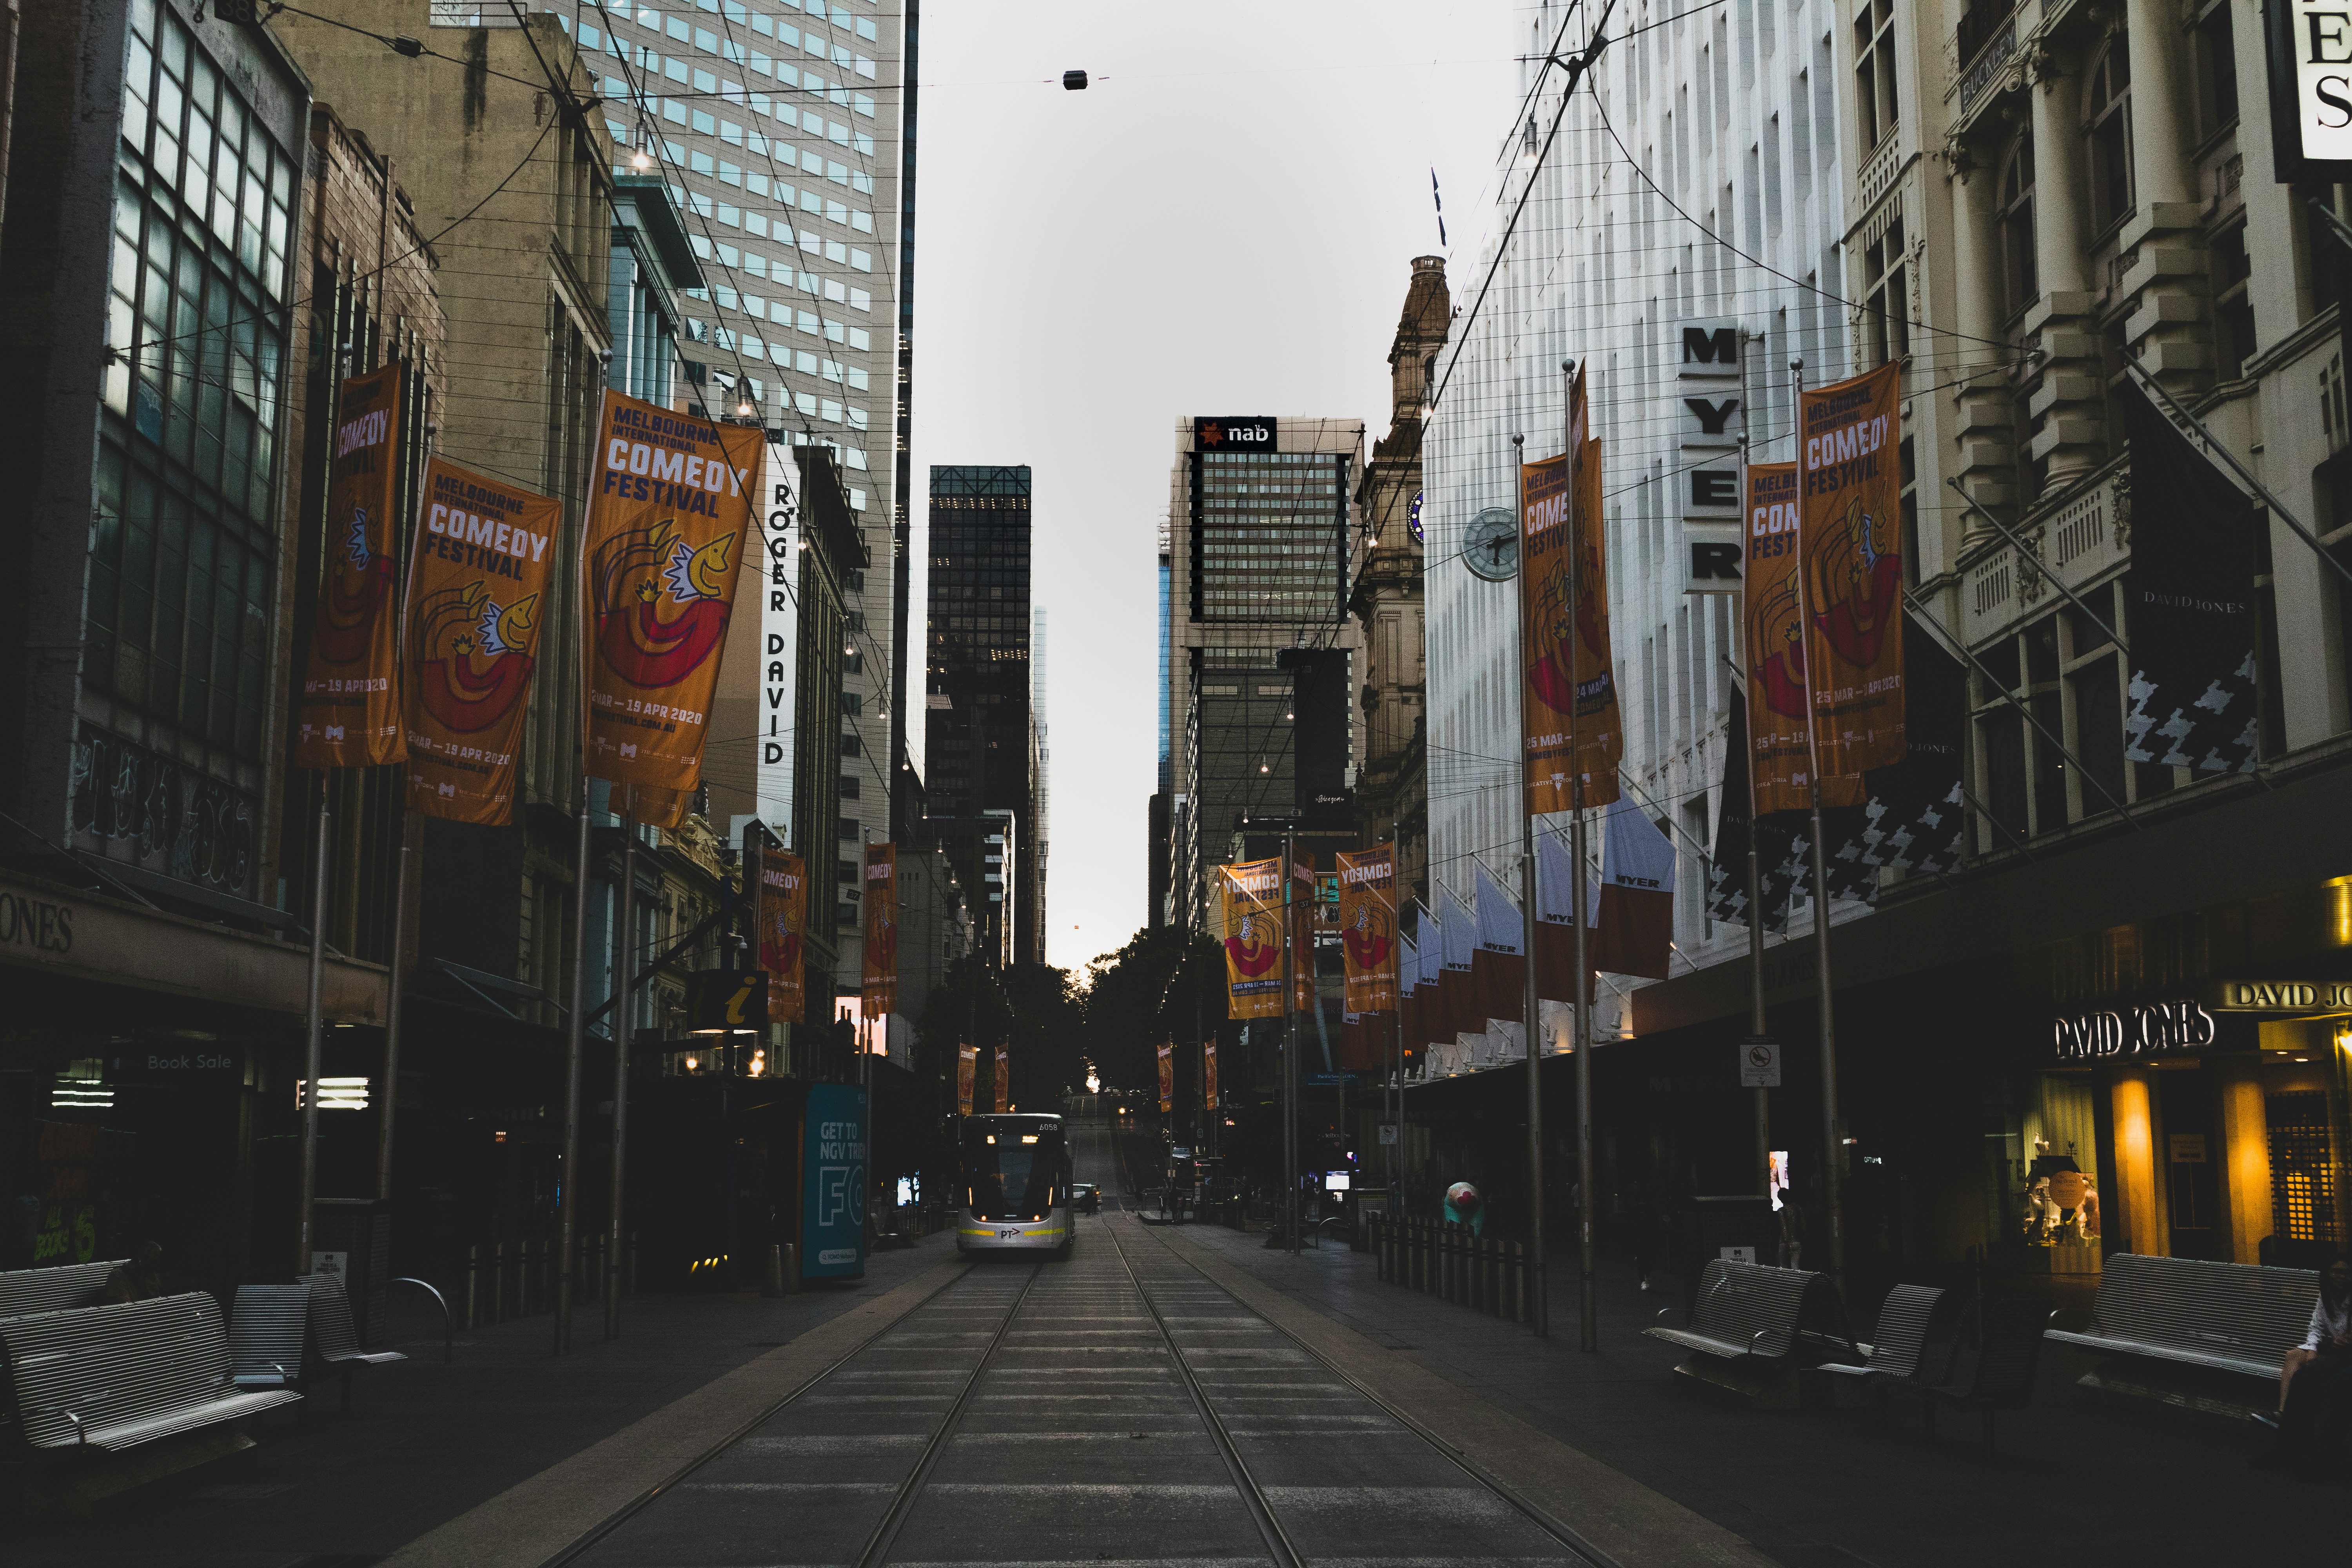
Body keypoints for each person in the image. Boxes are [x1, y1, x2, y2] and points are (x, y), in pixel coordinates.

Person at [2267, 1253, 2352, 1474]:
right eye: (2336, 1271)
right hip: (2334, 1350)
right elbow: (2316, 1328)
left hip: (2342, 1354)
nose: (2341, 1276)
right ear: (2328, 1273)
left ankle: (2320, 1453)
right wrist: (2313, 1349)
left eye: (2346, 1272)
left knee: (2331, 1383)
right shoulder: (2326, 1297)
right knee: (2296, 1361)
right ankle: (2284, 1421)